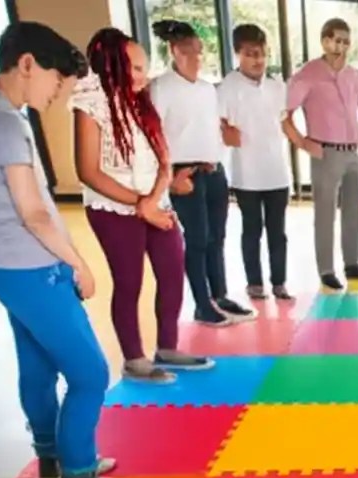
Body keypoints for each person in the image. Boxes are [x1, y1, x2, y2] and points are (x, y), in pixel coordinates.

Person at [0, 21, 148, 478]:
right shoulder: (6, 122)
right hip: (32, 266)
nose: (57, 94)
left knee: (38, 365)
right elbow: (34, 212)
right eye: (56, 81)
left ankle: (52, 459)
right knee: (90, 373)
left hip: (2, 263)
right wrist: (78, 263)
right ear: (27, 64)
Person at [72, 28, 212, 385]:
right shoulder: (90, 103)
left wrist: (155, 198)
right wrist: (140, 204)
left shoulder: (141, 101)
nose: (142, 76)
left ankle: (168, 347)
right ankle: (134, 359)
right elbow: (88, 171)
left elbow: (163, 158)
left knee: (172, 270)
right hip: (112, 209)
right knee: (129, 281)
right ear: (112, 65)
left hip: (155, 202)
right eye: (135, 68)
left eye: (144, 68)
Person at [150, 20, 253, 323]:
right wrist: (170, 178)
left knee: (216, 237)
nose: (196, 56)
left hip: (213, 170)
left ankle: (219, 295)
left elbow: (213, 128)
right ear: (174, 51)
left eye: (199, 50)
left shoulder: (208, 89)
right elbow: (153, 137)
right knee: (197, 238)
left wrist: (225, 144)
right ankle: (202, 304)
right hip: (185, 173)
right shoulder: (161, 88)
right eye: (188, 50)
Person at [282, 17, 358, 291]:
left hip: (354, 152)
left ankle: (352, 263)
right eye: (337, 41)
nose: (342, 47)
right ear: (324, 42)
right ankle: (326, 269)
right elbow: (284, 115)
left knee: (353, 210)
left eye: (346, 42)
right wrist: (303, 143)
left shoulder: (356, 76)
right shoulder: (307, 75)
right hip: (326, 152)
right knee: (325, 214)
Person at [220, 23, 292, 300]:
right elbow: (218, 124)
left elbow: (284, 123)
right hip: (246, 175)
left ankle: (279, 282)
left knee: (278, 232)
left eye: (262, 53)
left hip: (277, 172)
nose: (258, 60)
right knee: (252, 231)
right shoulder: (227, 87)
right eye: (250, 54)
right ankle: (254, 283)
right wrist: (226, 132)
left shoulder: (276, 86)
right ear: (238, 53)